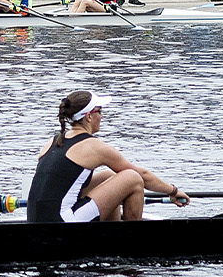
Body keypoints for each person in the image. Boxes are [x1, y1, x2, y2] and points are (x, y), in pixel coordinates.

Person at [26, 91, 189, 224]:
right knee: (132, 178)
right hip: (63, 222)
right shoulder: (93, 146)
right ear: (89, 116)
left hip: (35, 221)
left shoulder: (53, 141)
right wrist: (172, 191)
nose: (102, 117)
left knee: (109, 177)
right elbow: (143, 176)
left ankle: (111, 231)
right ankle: (131, 245)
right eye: (99, 111)